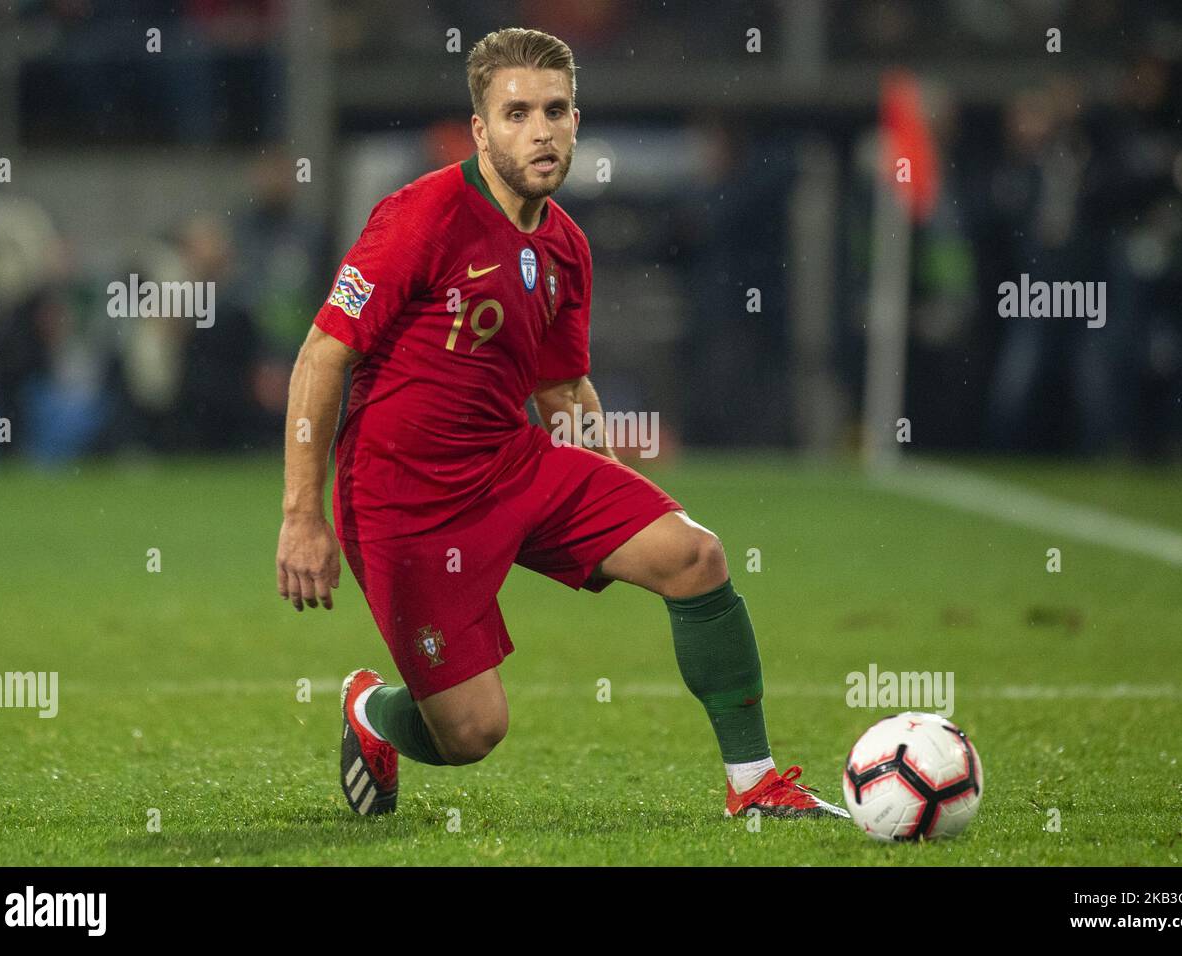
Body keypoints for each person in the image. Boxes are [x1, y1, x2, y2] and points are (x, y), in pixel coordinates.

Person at [274, 27, 847, 821]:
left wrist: (613, 492)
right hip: (403, 499)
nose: (540, 130)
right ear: (480, 130)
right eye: (516, 114)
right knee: (472, 731)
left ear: (577, 121)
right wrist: (303, 516)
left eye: (556, 110)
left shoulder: (568, 248)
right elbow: (320, 357)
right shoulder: (421, 216)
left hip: (512, 465)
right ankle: (372, 711)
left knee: (694, 555)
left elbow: (563, 387)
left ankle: (753, 785)